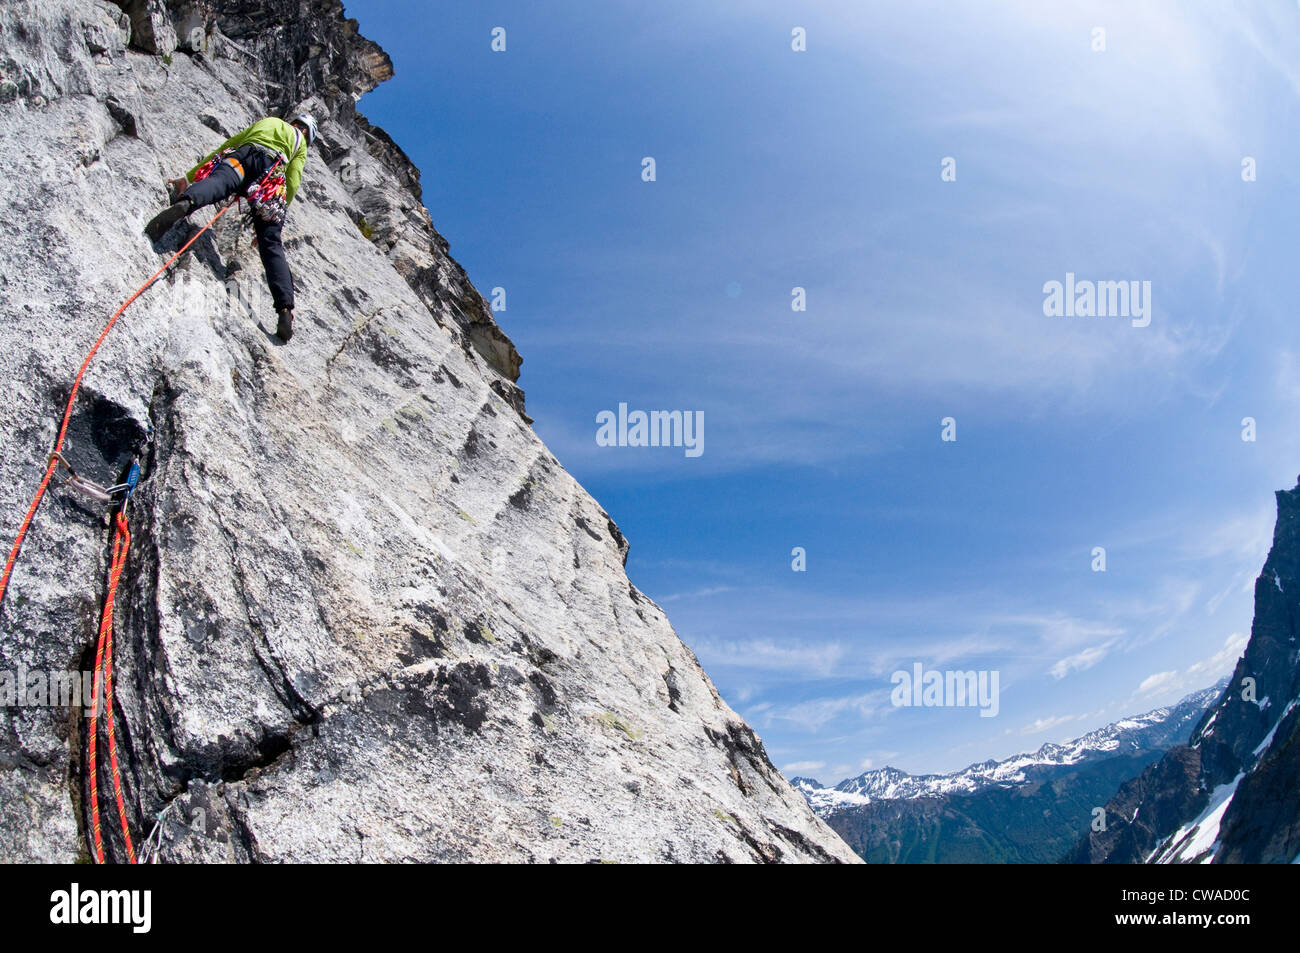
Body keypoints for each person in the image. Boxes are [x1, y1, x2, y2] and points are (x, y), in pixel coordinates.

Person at [145, 113, 317, 342]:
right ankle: (285, 310)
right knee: (271, 244)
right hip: (271, 175)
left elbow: (228, 145)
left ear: (294, 121)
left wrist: (188, 176)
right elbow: (293, 180)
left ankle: (186, 203)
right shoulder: (300, 143)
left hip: (242, 158)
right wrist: (275, 218)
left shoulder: (269, 121)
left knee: (218, 183)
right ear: (306, 133)